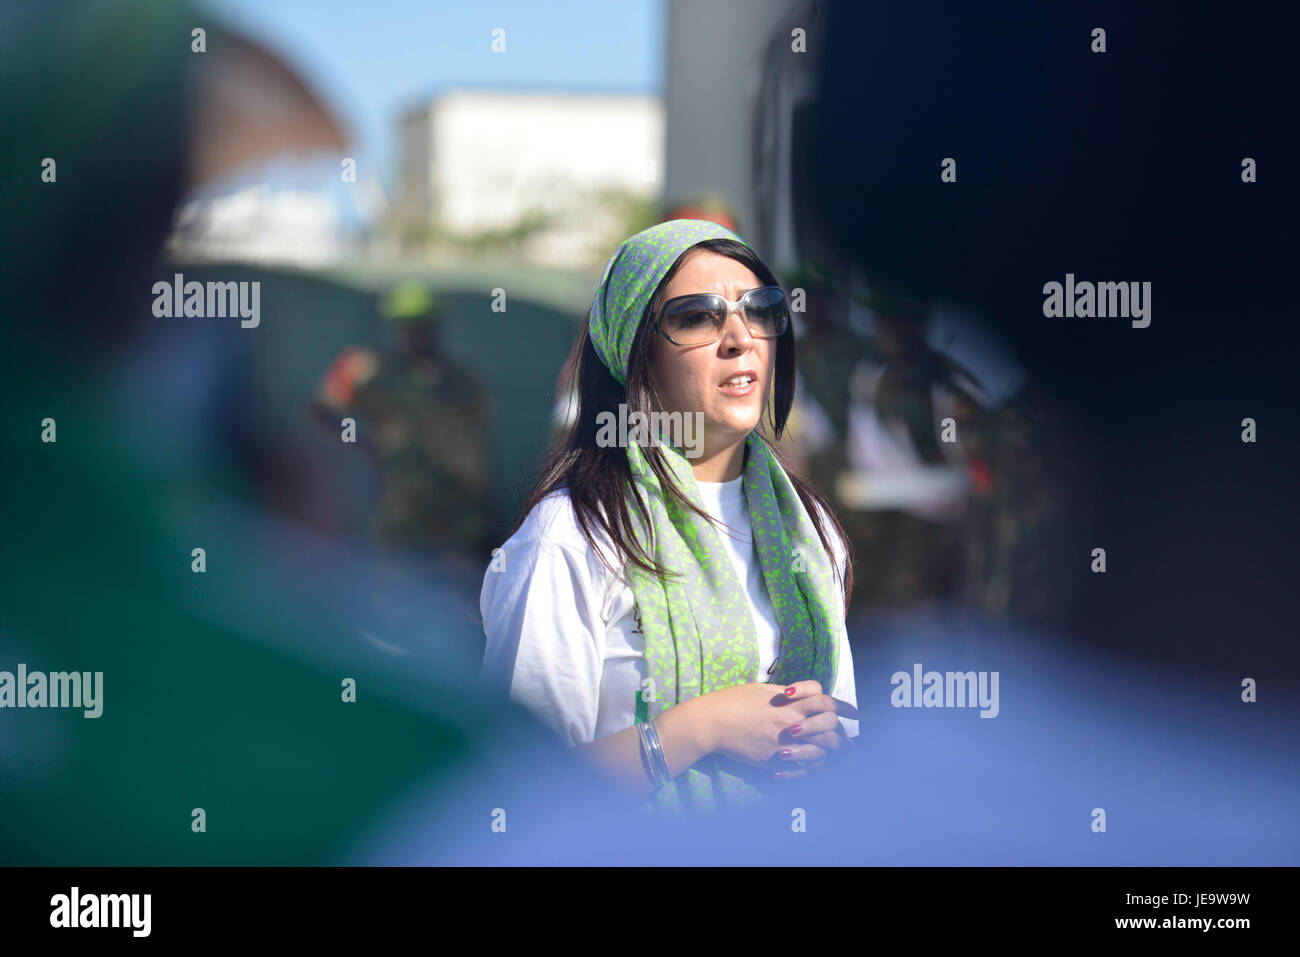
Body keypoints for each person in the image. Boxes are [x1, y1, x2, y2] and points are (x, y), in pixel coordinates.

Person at [479, 219, 860, 815]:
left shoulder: (811, 534)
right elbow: (510, 785)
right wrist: (698, 729)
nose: (740, 337)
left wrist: (823, 745)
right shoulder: (576, 536)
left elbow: (841, 724)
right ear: (637, 354)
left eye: (760, 309)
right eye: (697, 317)